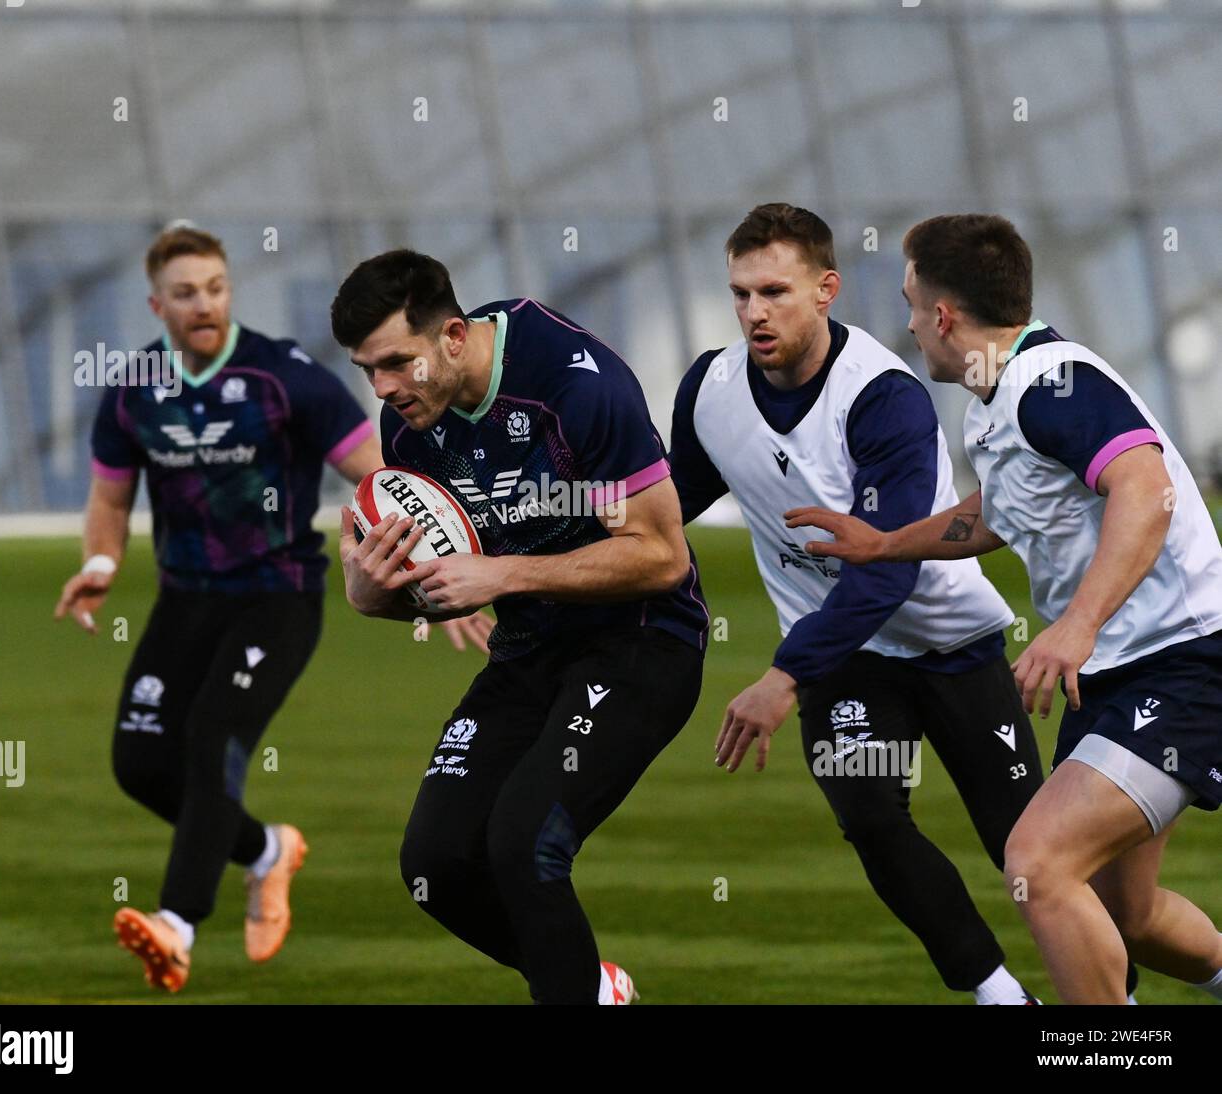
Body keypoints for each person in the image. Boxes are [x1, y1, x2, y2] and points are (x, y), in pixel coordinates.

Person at [789, 213, 1222, 1004]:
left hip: (1183, 661)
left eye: (914, 303)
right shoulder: (998, 395)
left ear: (946, 315)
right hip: (1122, 674)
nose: (911, 322)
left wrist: (1077, 624)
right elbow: (1000, 511)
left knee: (1039, 865)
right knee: (1128, 913)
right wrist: (884, 544)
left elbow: (1146, 487)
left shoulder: (1048, 381)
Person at [55, 226, 491, 992]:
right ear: (158, 304)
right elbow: (109, 498)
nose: (205, 303)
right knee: (138, 763)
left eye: (217, 287)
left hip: (278, 598)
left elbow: (384, 475)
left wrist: (438, 571)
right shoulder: (133, 391)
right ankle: (266, 852)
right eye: (187, 292)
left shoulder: (285, 377)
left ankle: (176, 925)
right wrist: (99, 563)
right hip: (186, 600)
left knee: (211, 737)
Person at [668, 203, 1048, 1003]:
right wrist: (535, 534)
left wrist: (783, 677)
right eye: (739, 294)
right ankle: (999, 996)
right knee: (872, 818)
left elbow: (885, 570)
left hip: (953, 648)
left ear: (826, 290)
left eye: (774, 291)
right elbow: (665, 504)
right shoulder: (710, 388)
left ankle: (1131, 1000)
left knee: (1031, 852)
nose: (754, 313)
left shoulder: (883, 397)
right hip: (846, 662)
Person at [330, 250, 709, 1004]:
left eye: (398, 363)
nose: (383, 390)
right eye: (368, 370)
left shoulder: (574, 387)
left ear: (454, 337)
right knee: (433, 867)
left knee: (524, 845)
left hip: (640, 641)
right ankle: (589, 988)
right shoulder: (410, 432)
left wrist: (502, 575)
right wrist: (368, 590)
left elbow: (662, 557)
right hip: (531, 650)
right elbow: (412, 594)